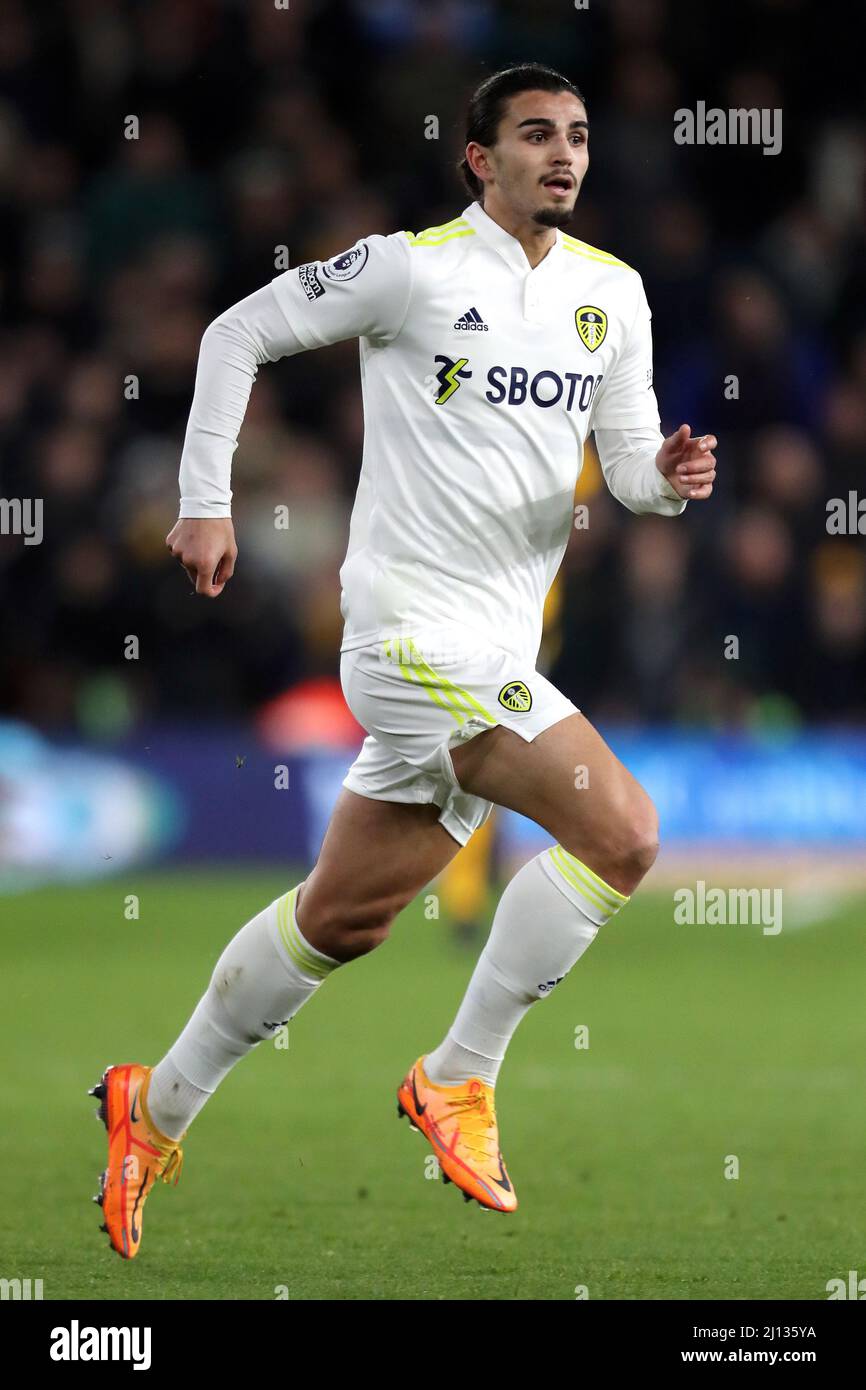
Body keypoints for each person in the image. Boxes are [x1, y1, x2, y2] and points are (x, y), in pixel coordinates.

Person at [91, 63, 717, 1257]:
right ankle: (457, 1077)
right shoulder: (408, 268)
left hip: (492, 646)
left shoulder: (611, 297)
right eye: (535, 134)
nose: (563, 154)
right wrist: (203, 501)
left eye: (577, 136)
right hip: (404, 635)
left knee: (344, 916)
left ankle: (151, 1106)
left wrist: (669, 478)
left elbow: (628, 467)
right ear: (478, 160)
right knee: (622, 831)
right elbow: (236, 334)